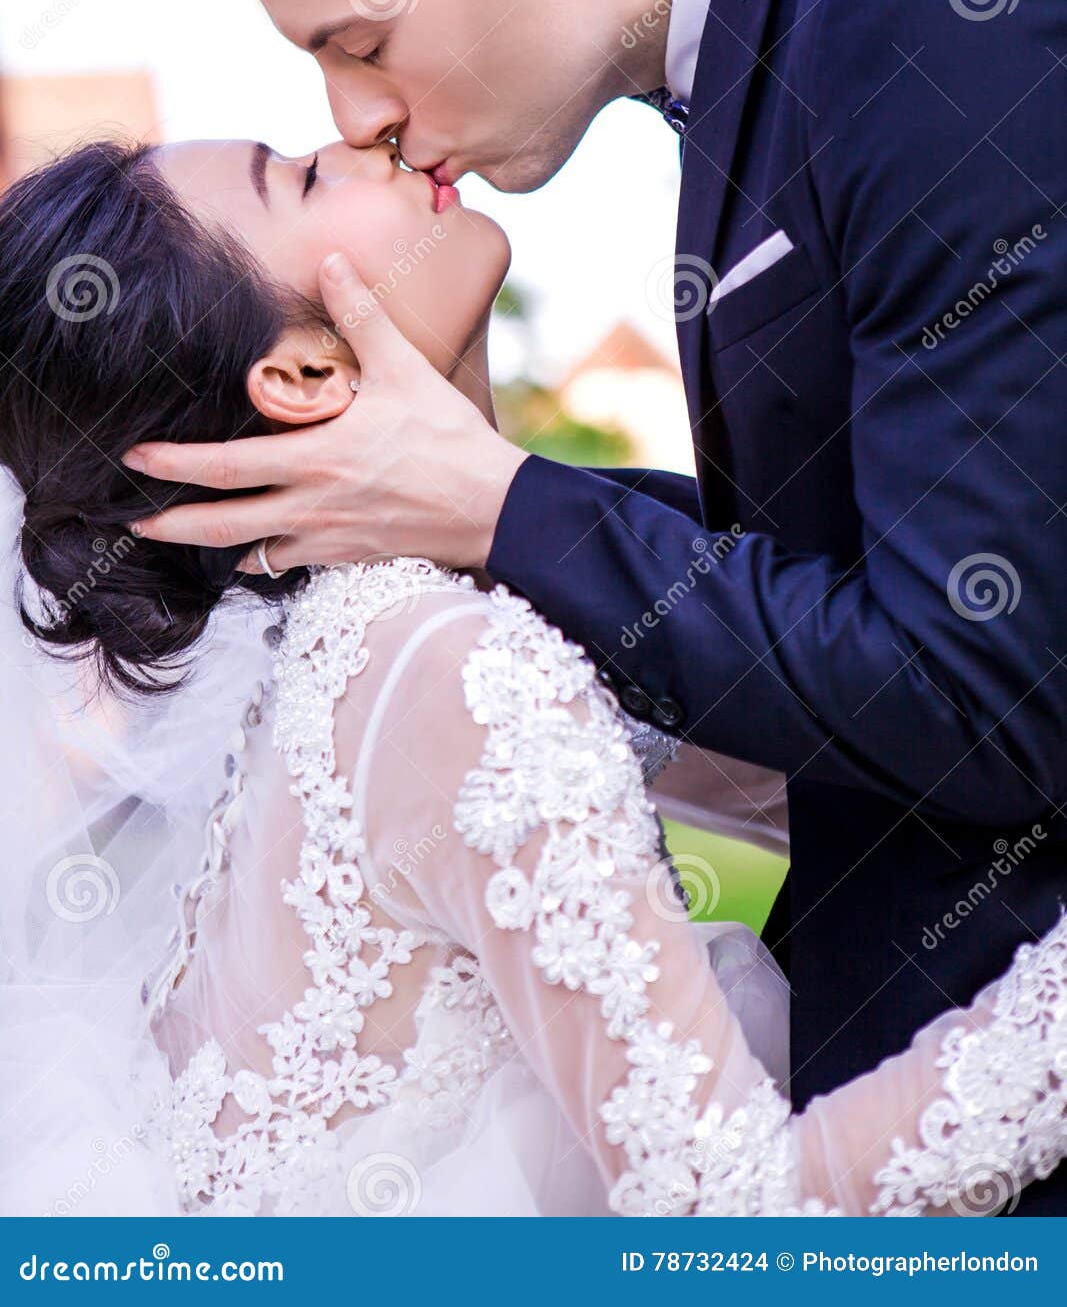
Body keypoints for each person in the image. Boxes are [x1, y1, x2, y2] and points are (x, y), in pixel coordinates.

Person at [135, 0, 1067, 1211]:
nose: (353, 116)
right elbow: (850, 556)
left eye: (357, 43)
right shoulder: (793, 28)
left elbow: (984, 676)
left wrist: (504, 507)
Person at [0, 137, 1064, 1218]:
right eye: (305, 178)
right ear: (302, 375)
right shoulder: (436, 662)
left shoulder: (376, 634)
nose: (360, 139)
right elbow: (731, 1206)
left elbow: (831, 752)